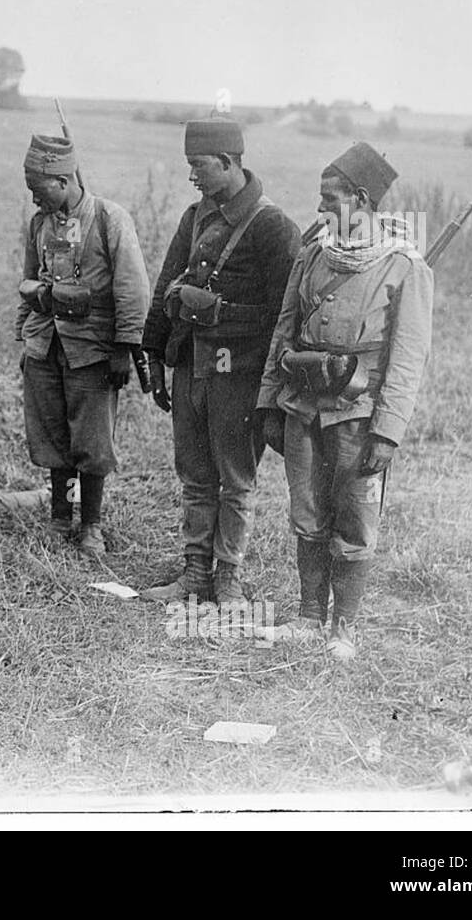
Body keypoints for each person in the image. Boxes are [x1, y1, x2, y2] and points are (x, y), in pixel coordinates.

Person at [254, 142, 433, 660]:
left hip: (359, 411)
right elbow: (283, 330)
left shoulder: (404, 267)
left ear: (360, 199)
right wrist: (269, 404)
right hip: (302, 404)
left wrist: (388, 430)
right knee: (307, 513)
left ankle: (344, 628)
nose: (321, 210)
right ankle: (310, 617)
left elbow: (407, 359)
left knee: (354, 520)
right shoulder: (312, 254)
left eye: (330, 199)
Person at [139, 119, 301, 605]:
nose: (192, 176)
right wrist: (155, 353)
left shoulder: (274, 227)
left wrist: (219, 312)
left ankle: (228, 578)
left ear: (230, 162)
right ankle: (194, 575)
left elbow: (284, 316)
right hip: (192, 366)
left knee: (235, 478)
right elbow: (166, 281)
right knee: (193, 473)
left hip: (240, 374)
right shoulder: (195, 217)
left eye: (199, 166)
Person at [17, 133, 151, 557]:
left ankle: (90, 525)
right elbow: (27, 280)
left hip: (93, 350)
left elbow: (133, 289)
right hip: (45, 345)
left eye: (40, 191)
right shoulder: (40, 224)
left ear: (62, 180)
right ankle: (61, 515)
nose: (35, 200)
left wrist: (123, 347)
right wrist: (25, 338)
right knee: (52, 432)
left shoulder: (110, 219)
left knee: (91, 440)